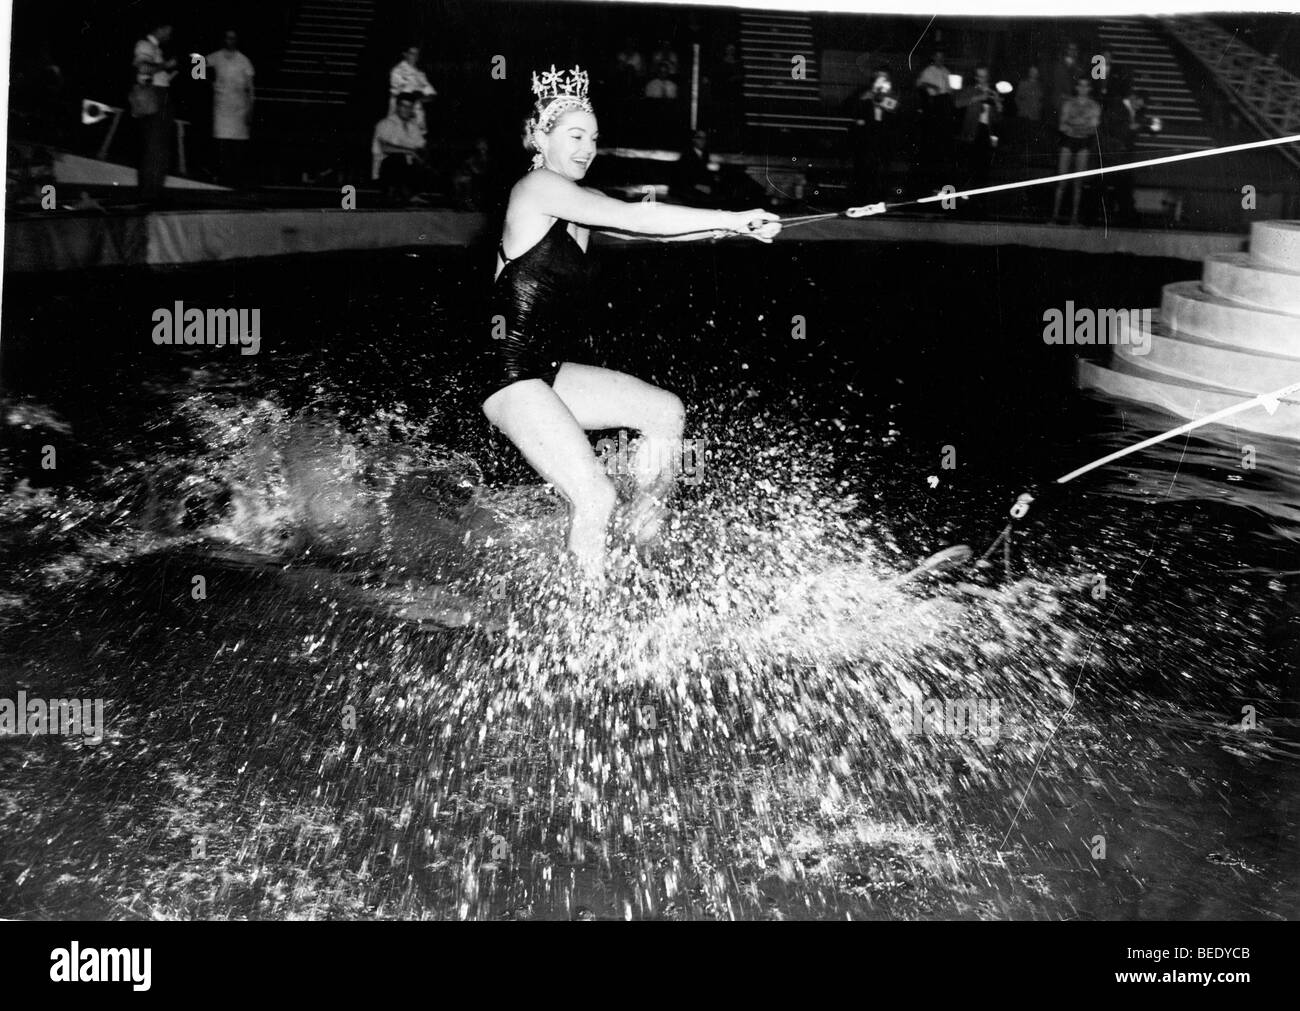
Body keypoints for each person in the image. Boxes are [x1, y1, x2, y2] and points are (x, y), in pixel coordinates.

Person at [483, 64, 780, 584]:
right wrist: (729, 217)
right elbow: (637, 217)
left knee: (665, 413)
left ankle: (644, 533)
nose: (586, 147)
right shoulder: (534, 189)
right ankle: (587, 617)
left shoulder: (579, 203)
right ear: (539, 137)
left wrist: (733, 228)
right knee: (594, 494)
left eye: (593, 138)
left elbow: (653, 232)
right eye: (574, 136)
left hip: (545, 371)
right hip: (506, 374)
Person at [131, 21, 178, 203]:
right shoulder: (145, 45)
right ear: (160, 27)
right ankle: (149, 193)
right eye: (168, 29)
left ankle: (153, 190)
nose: (170, 33)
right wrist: (166, 65)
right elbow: (143, 68)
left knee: (159, 148)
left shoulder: (155, 47)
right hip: (155, 95)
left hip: (161, 94)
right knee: (155, 147)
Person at [206, 30, 255, 188]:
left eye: (233, 38)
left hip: (239, 107)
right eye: (227, 37)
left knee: (238, 144)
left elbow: (251, 88)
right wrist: (209, 82)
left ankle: (236, 179)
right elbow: (197, 65)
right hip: (221, 106)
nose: (230, 40)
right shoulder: (217, 56)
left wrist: (250, 110)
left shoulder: (244, 61)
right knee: (221, 142)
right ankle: (221, 176)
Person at [1100, 90, 1154, 226]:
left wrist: (1149, 125)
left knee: (1124, 185)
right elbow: (1114, 129)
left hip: (1123, 154)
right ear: (1131, 97)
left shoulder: (1133, 109)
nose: (1138, 108)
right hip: (1112, 152)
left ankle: (1126, 216)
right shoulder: (1116, 106)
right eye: (1137, 105)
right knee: (1107, 185)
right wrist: (1133, 127)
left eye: (1140, 106)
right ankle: (1114, 215)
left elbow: (1136, 126)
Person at [1052, 76, 1101, 225]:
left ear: (1090, 88)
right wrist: (1081, 124)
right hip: (1068, 142)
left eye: (1086, 86)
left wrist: (1074, 124)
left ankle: (1074, 217)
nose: (1083, 88)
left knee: (1078, 182)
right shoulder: (1068, 104)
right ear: (1077, 87)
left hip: (1083, 143)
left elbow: (1093, 128)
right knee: (1061, 180)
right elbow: (1062, 126)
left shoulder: (1094, 106)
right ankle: (1054, 216)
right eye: (1080, 85)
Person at [372, 93, 429, 203]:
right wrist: (410, 151)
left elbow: (422, 146)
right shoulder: (385, 124)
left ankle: (411, 194)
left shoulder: (413, 127)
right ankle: (394, 193)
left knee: (425, 161)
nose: (407, 110)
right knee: (398, 158)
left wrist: (423, 156)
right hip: (386, 169)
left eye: (410, 107)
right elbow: (385, 148)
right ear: (397, 107)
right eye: (404, 106)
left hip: (409, 169)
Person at [389, 45, 436, 129]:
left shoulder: (420, 74)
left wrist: (421, 98)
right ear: (405, 54)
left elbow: (431, 95)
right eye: (412, 53)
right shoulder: (397, 70)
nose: (415, 56)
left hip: (417, 116)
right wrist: (419, 95)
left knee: (417, 140)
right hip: (401, 115)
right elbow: (402, 95)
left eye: (417, 54)